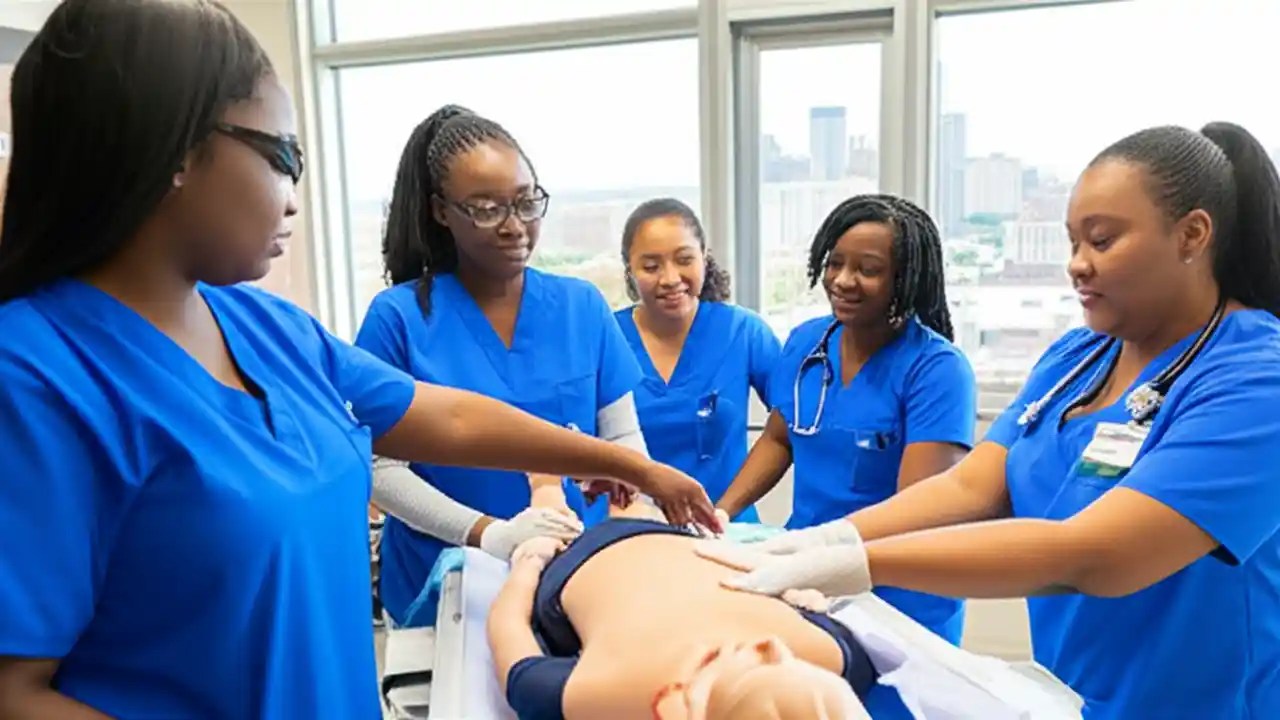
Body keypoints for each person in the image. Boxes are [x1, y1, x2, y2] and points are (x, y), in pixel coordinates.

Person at [0, 3, 717, 718]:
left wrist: (631, 467)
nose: (293, 199)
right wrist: (492, 533)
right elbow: (15, 692)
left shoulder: (268, 329)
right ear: (177, 152)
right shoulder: (34, 379)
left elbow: (446, 419)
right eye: (283, 158)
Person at [698, 122, 1280, 720]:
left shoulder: (1256, 380)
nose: (1077, 265)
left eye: (1102, 241)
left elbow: (1099, 552)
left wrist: (857, 563)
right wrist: (826, 539)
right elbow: (970, 487)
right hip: (1071, 695)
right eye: (1073, 242)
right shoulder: (1077, 359)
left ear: (1192, 235)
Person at [354, 104, 664, 627]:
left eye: (526, 202)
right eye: (486, 209)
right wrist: (489, 534)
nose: (514, 226)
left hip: (571, 578)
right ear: (441, 211)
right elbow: (379, 467)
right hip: (442, 585)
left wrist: (639, 520)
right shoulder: (399, 318)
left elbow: (621, 441)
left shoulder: (581, 307)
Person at [715, 195, 977, 647]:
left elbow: (917, 510)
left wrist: (821, 556)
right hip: (805, 578)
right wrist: (723, 512)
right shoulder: (806, 343)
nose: (842, 280)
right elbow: (780, 439)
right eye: (834, 263)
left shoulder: (937, 370)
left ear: (906, 278)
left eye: (868, 270)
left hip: (897, 593)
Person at [487, 494, 874, 720]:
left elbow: (510, 627)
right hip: (693, 549)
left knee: (555, 517)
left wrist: (529, 563)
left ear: (671, 706)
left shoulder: (605, 690)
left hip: (588, 559)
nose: (765, 648)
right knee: (629, 506)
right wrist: (801, 598)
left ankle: (549, 490)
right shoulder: (836, 660)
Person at [614, 198, 781, 522]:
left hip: (726, 528)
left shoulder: (743, 332)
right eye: (651, 266)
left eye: (684, 260)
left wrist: (725, 510)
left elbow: (793, 421)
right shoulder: (607, 338)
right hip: (630, 531)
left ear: (704, 258)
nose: (670, 278)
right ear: (630, 270)